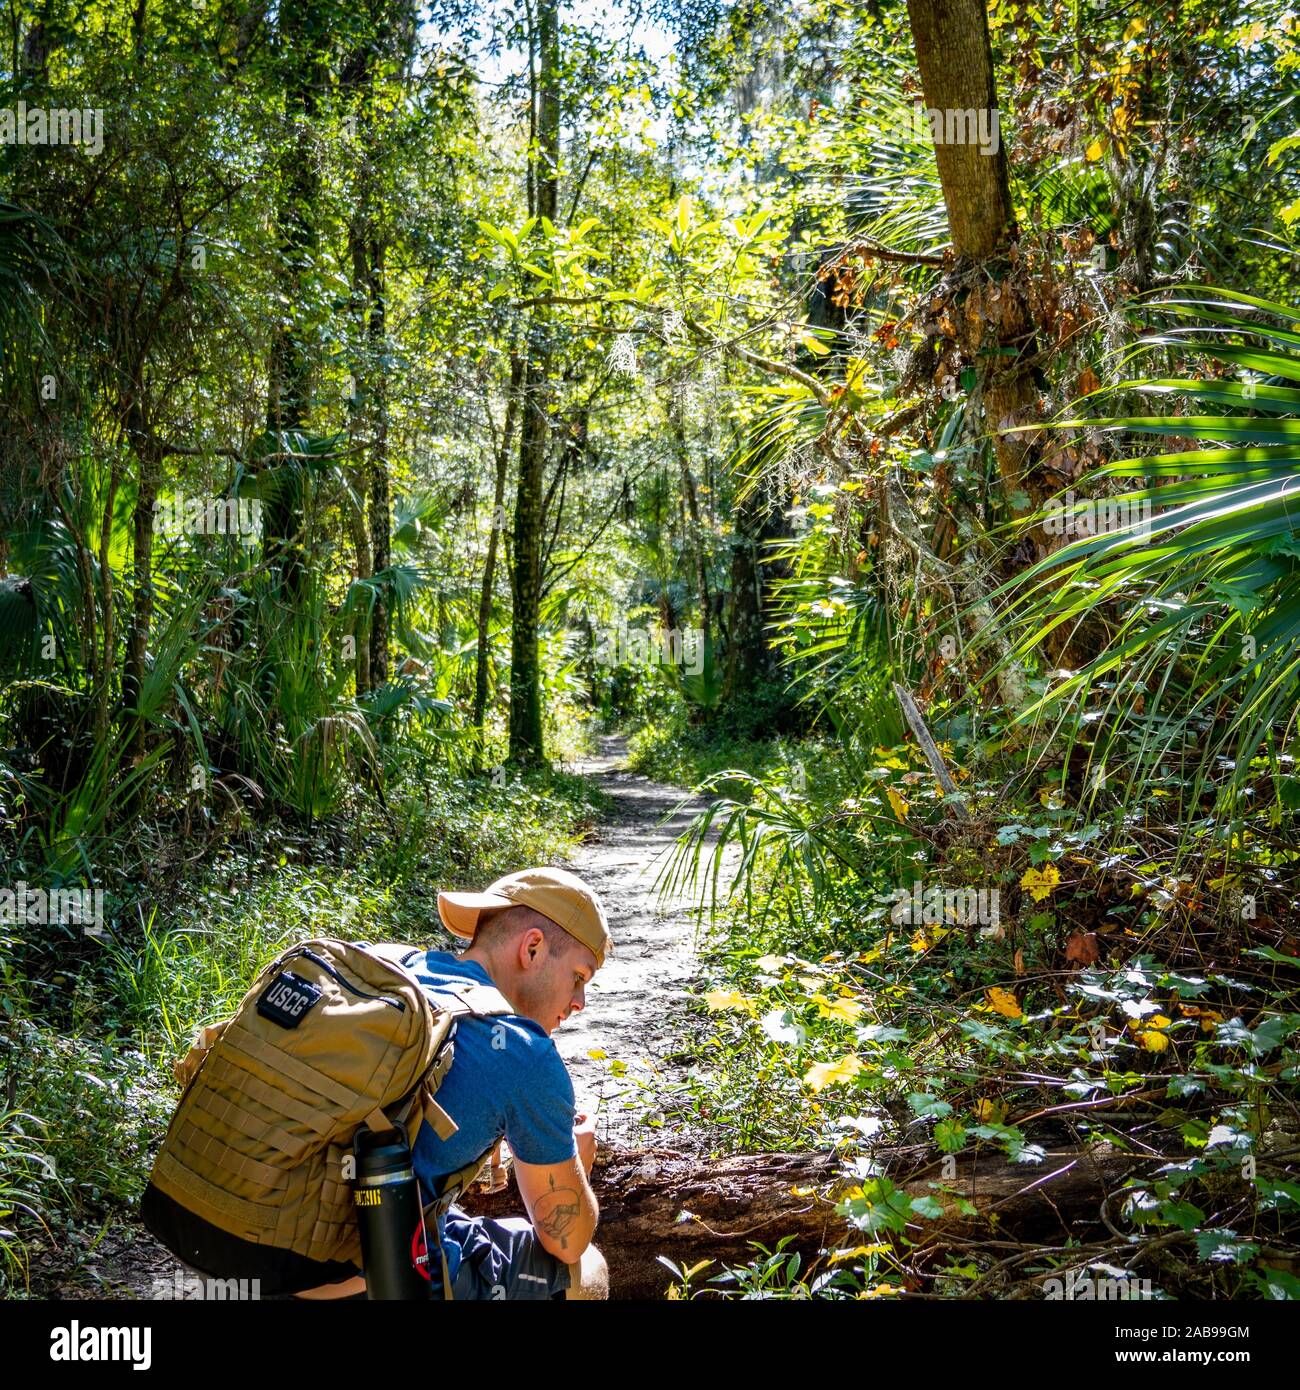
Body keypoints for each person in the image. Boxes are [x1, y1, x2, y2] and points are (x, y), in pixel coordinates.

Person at [298, 865, 611, 1301]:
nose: (579, 1002)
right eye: (579, 976)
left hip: (245, 1249)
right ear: (533, 947)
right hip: (365, 1281)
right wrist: (579, 1160)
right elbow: (566, 1239)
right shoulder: (525, 1053)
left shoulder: (390, 965)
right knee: (585, 1270)